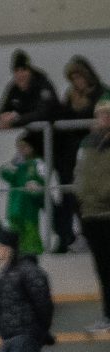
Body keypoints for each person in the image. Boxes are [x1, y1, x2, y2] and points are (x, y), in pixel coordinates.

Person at [53, 59, 109, 253]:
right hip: (73, 152)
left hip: (96, 150)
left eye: (78, 76)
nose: (76, 81)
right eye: (72, 78)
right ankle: (69, 235)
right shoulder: (70, 96)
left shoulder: (101, 93)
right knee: (70, 196)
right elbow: (61, 117)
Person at [0, 227, 55, 352]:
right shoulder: (5, 273)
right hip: (9, 335)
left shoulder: (28, 272)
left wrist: (40, 330)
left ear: (7, 248)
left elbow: (43, 304)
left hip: (25, 336)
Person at [78, 100, 110, 333]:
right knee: (102, 268)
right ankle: (107, 315)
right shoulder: (88, 144)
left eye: (107, 115)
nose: (103, 119)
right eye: (100, 115)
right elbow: (79, 175)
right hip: (91, 214)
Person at [0, 136, 46, 256]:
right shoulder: (18, 165)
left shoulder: (38, 163)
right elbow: (3, 173)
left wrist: (35, 186)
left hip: (29, 209)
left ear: (32, 147)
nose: (21, 150)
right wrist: (13, 163)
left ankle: (33, 258)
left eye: (24, 147)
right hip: (14, 209)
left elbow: (41, 182)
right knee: (14, 241)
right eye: (19, 148)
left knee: (31, 237)